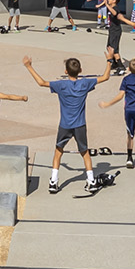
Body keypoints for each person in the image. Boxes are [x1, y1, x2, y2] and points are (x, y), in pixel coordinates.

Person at [24, 52, 110, 193]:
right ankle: (91, 180)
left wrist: (29, 66)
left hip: (65, 125)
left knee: (58, 152)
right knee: (85, 152)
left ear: (65, 71)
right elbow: (105, 77)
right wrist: (109, 60)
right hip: (80, 124)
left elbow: (41, 83)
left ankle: (53, 181)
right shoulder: (85, 83)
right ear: (80, 70)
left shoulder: (61, 85)